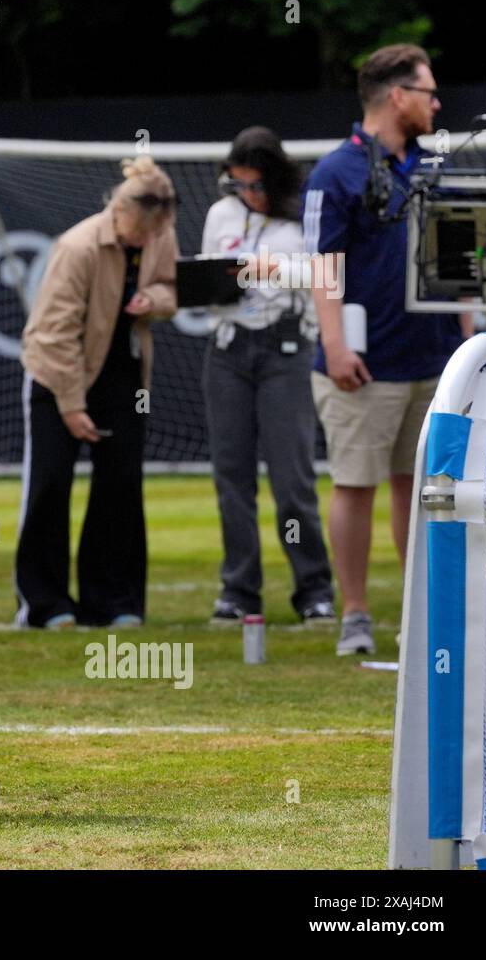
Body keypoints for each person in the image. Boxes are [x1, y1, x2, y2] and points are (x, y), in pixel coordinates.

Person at [304, 44, 470, 656]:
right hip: (362, 362)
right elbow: (323, 266)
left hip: (431, 359)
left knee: (420, 485)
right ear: (397, 96)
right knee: (355, 483)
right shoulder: (333, 172)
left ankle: (415, 611)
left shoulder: (432, 167)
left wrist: (466, 342)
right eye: (428, 92)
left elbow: (456, 263)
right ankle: (354, 614)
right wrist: (335, 344)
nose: (437, 103)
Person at [15, 156, 178, 629]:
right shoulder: (79, 246)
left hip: (123, 373)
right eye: (139, 235)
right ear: (120, 214)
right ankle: (44, 604)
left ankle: (114, 600)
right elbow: (54, 334)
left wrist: (157, 301)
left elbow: (170, 286)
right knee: (50, 484)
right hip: (56, 374)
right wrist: (70, 405)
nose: (146, 242)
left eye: (153, 235)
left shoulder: (161, 233)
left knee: (120, 485)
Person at [201, 128, 335, 627]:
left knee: (291, 475)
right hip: (230, 346)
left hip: (285, 347)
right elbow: (211, 276)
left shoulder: (303, 214)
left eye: (254, 186)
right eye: (237, 186)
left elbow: (328, 275)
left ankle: (313, 587)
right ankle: (239, 589)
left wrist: (266, 268)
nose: (246, 196)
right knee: (231, 475)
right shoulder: (220, 215)